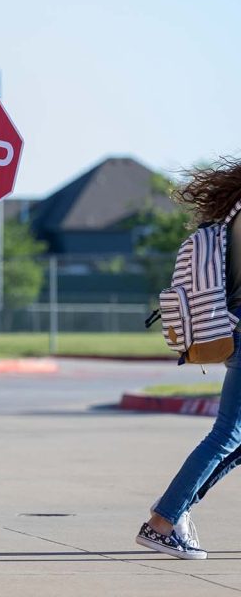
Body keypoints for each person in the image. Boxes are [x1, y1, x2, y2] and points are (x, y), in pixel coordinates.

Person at [136, 157, 241, 560]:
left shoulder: (233, 216)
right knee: (227, 433)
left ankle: (173, 513)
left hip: (234, 331)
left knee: (233, 435)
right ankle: (163, 521)